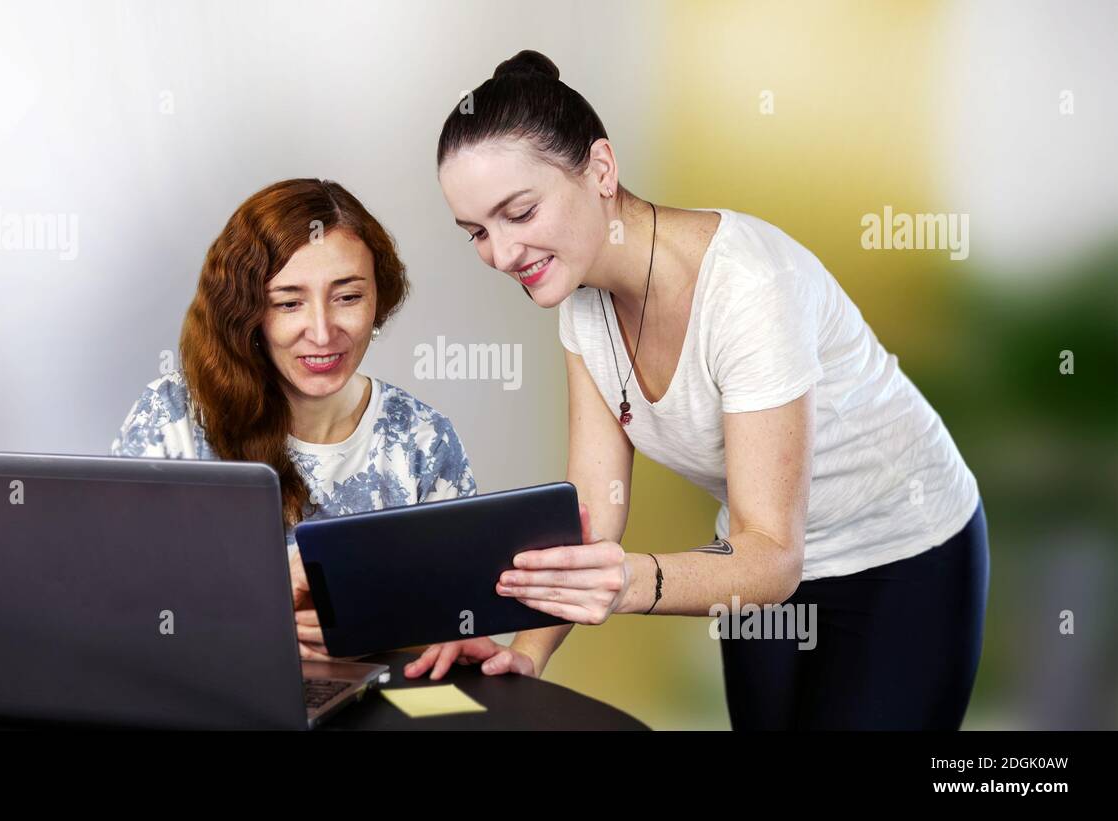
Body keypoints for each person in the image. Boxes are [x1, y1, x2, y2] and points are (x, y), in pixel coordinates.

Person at [410, 50, 989, 731]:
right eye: (478, 231)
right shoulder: (581, 304)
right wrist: (526, 647)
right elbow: (597, 505)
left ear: (600, 169)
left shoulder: (750, 287)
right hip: (748, 556)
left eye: (520, 212)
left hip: (900, 551)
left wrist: (628, 583)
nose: (503, 255)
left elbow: (774, 553)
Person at [110, 178, 476, 662]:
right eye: (288, 303)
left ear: (378, 300)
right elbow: (116, 600)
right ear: (248, 312)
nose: (323, 333)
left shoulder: (423, 440)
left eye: (348, 298)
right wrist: (268, 602)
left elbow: (454, 620)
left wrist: (425, 630)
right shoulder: (173, 418)